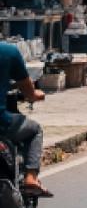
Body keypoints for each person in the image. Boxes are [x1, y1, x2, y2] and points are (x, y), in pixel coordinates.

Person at [0, 39, 48, 197]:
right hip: (3, 122)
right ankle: (30, 177)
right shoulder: (8, 51)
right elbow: (29, 91)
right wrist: (35, 95)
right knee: (35, 130)